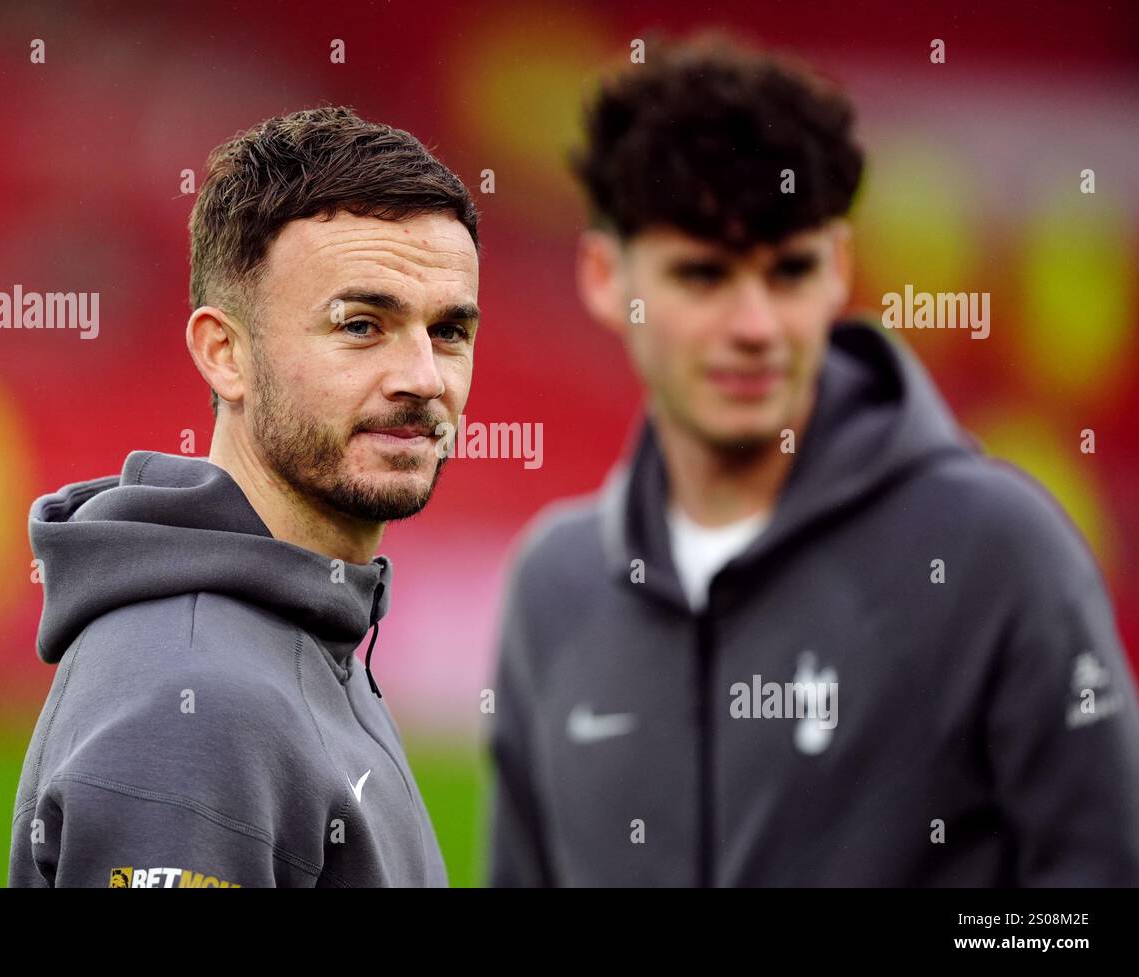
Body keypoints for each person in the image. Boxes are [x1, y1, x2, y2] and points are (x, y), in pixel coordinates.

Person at [486, 33, 1139, 886]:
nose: (754, 324)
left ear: (839, 270)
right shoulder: (555, 583)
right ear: (607, 278)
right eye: (704, 275)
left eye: (788, 271)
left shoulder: (997, 548)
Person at [8, 106, 481, 887]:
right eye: (363, 325)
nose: (424, 378)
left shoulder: (314, 632)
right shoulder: (196, 699)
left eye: (450, 330)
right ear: (225, 354)